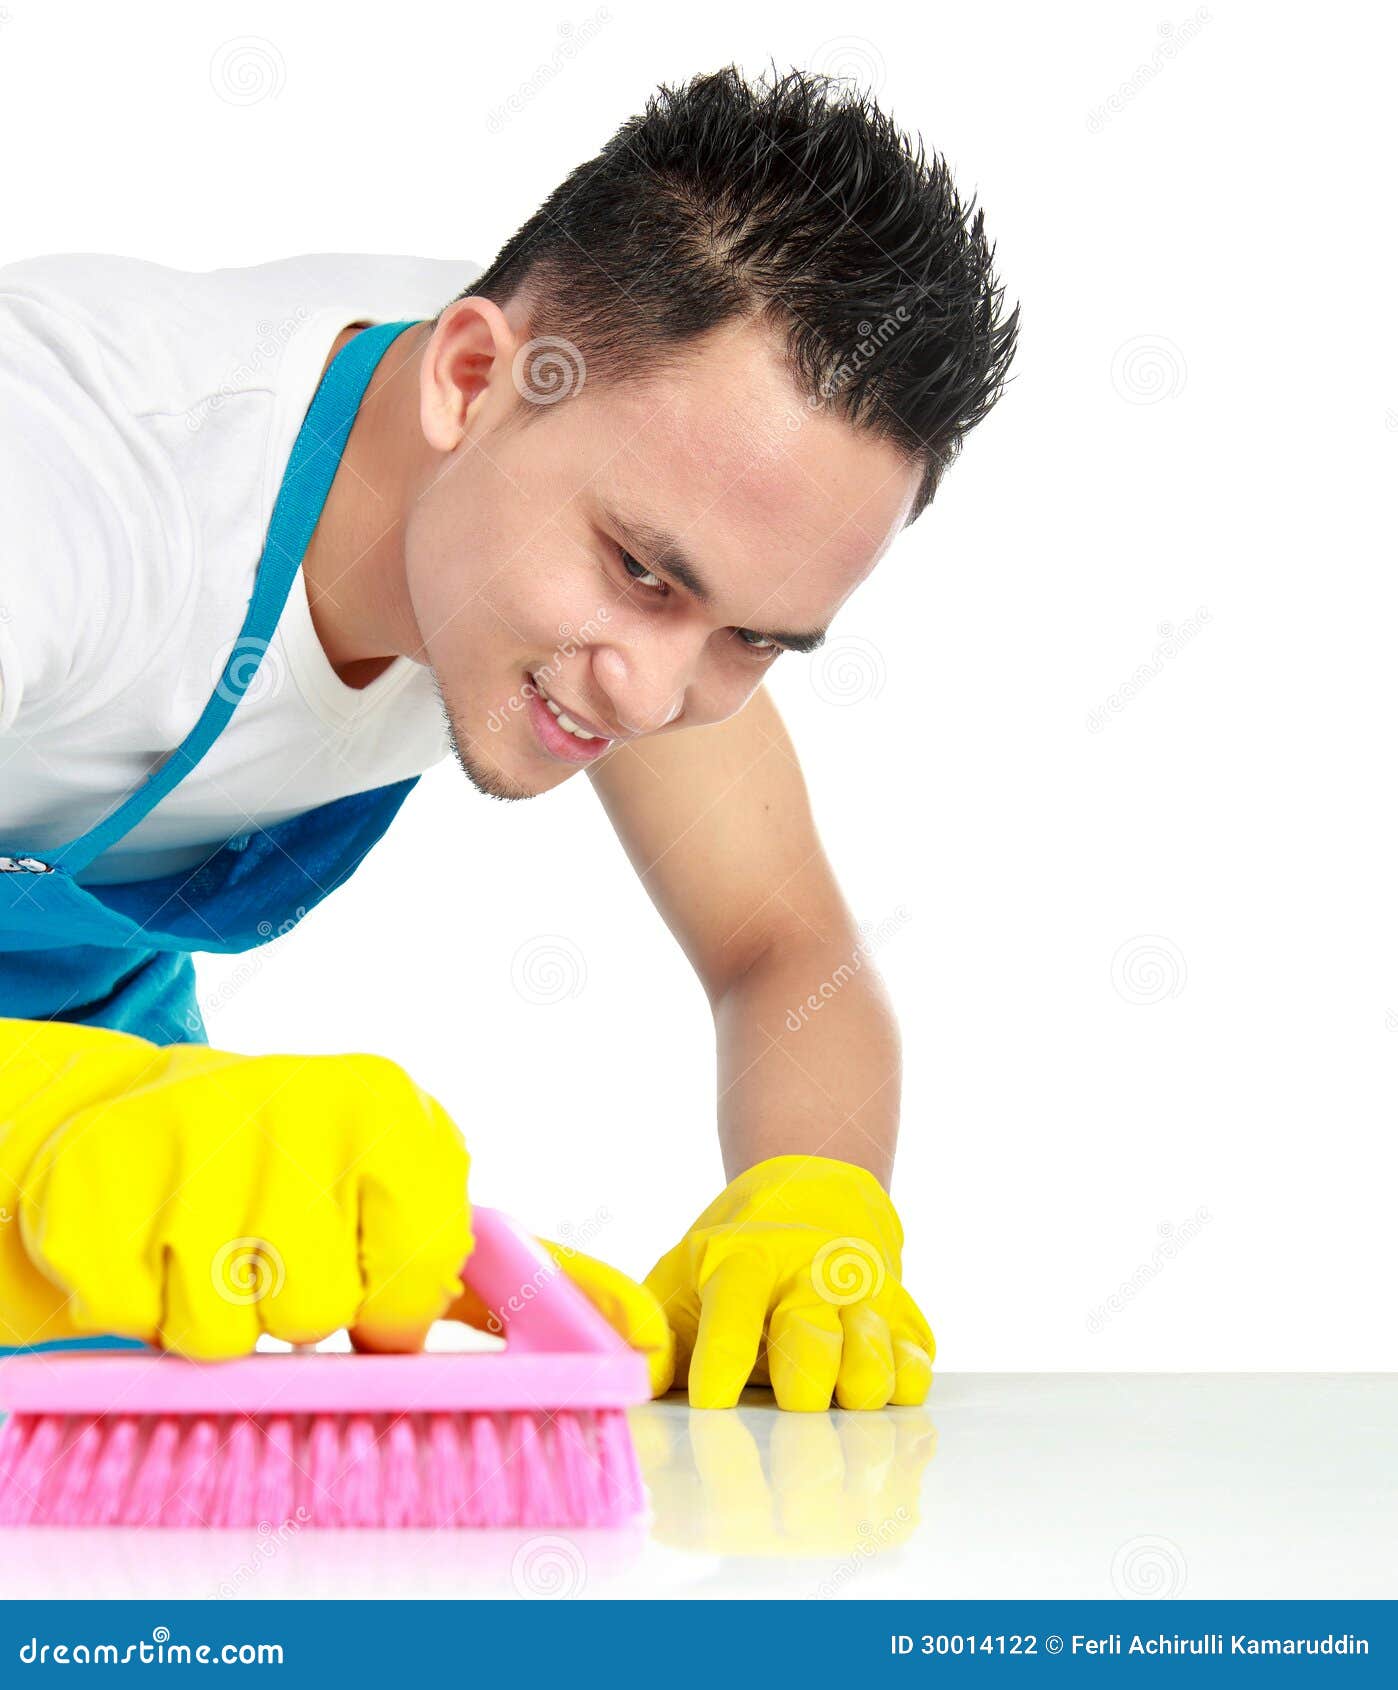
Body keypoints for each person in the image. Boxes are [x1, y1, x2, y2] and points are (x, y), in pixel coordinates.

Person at [0, 64, 1018, 1411]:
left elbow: (783, 950)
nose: (657, 701)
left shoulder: (629, 441)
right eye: (645, 574)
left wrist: (808, 1207)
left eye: (753, 636)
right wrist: (62, 1117)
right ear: (469, 376)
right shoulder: (70, 491)